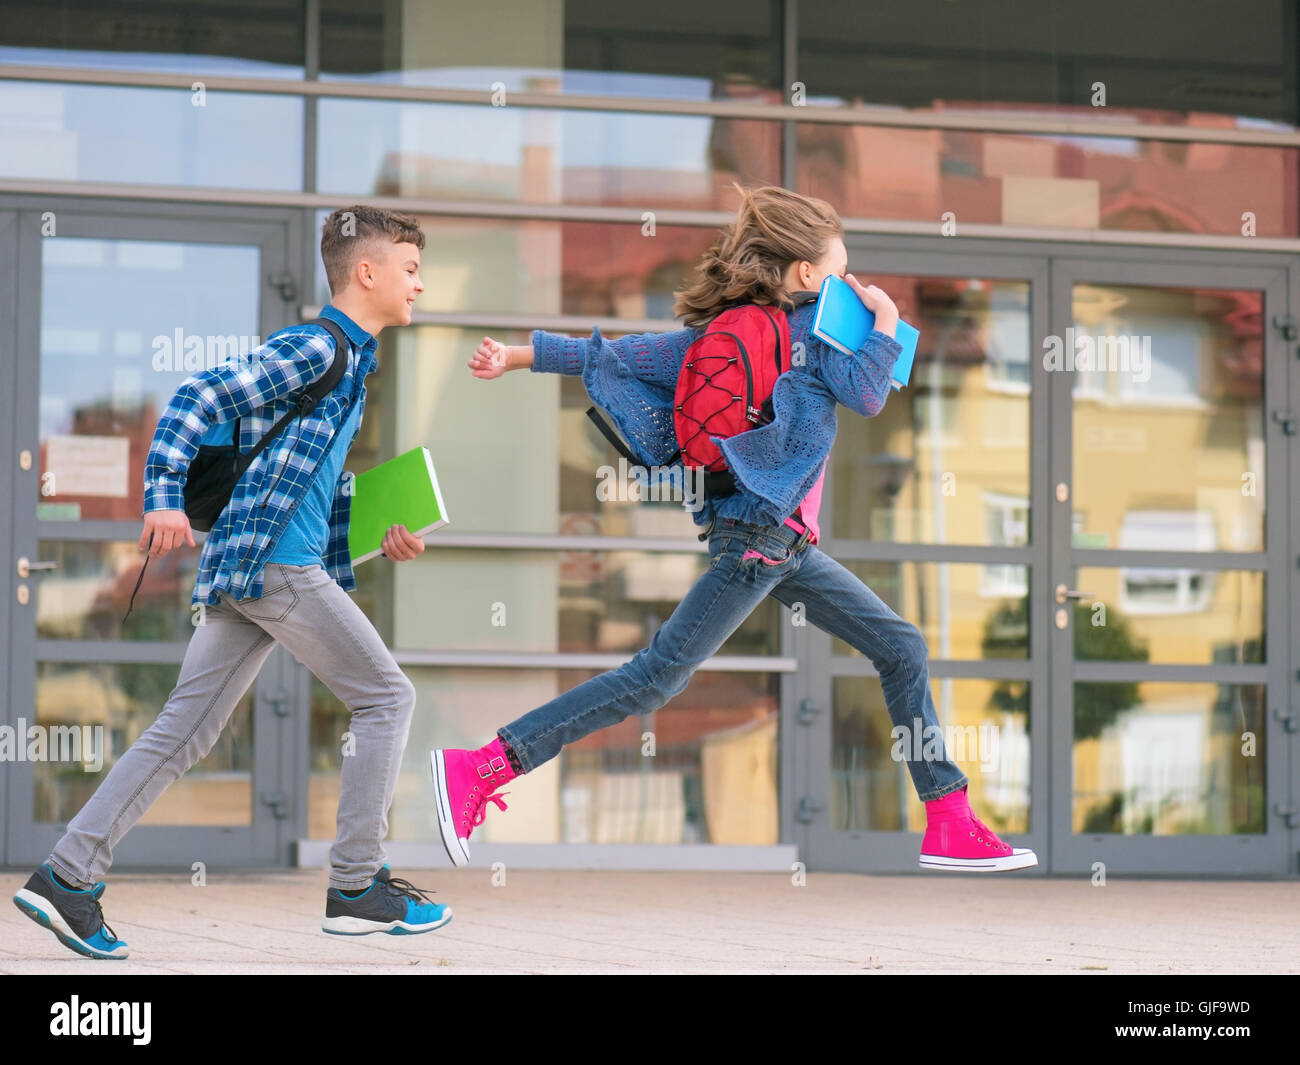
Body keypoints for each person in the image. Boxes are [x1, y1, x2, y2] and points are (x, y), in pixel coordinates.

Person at [432, 185, 1036, 874]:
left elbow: (614, 355)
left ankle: (949, 818)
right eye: (839, 273)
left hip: (779, 545)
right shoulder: (815, 331)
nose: (848, 285)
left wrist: (516, 354)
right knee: (653, 679)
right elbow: (871, 393)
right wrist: (889, 319)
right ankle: (479, 766)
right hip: (760, 543)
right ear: (808, 277)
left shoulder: (711, 335)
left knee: (900, 645)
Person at [13, 205, 451, 960]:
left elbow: (305, 489)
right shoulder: (318, 349)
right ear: (368, 272)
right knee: (387, 696)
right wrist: (160, 495)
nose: (421, 283)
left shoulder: (349, 371)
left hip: (259, 561)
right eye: (410, 269)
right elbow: (198, 398)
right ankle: (355, 886)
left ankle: (66, 875)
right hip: (275, 565)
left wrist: (379, 531)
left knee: (184, 730)